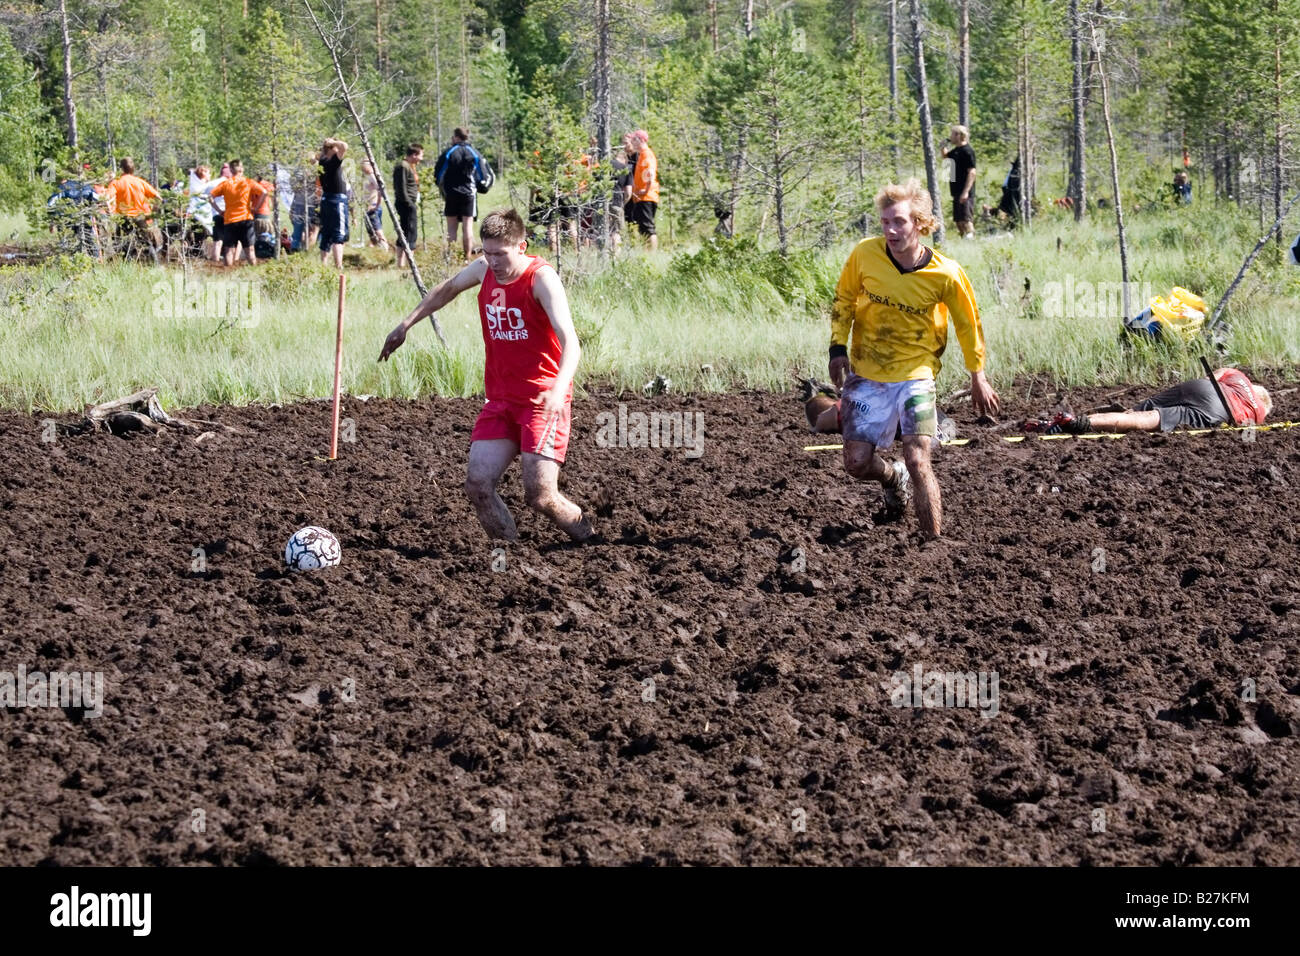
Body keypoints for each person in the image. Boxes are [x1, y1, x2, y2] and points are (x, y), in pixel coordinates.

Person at [378, 208, 596, 544]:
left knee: (540, 496)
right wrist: (406, 324)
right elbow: (447, 289)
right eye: (487, 252)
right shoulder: (484, 270)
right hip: (501, 400)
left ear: (521, 247)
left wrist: (558, 389)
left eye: (501, 254)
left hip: (541, 400)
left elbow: (571, 343)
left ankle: (587, 537)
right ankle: (507, 555)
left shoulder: (541, 279)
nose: (493, 261)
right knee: (478, 485)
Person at [829, 179, 999, 540]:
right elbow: (844, 300)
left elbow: (969, 325)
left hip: (917, 373)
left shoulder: (946, 273)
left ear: (920, 223)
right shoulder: (865, 254)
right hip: (868, 372)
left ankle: (933, 543)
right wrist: (837, 348)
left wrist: (977, 376)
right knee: (856, 463)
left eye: (900, 222)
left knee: (919, 457)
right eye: (885, 222)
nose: (891, 230)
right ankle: (893, 479)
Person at [1026, 369, 1271, 434]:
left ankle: (1057, 423)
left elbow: (1211, 376)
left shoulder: (1239, 377)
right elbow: (1241, 426)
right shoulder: (1259, 412)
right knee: (1148, 421)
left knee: (1143, 408)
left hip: (1202, 387)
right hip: (1216, 409)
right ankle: (1076, 423)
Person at [435, 129, 489, 259]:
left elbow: (438, 173)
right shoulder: (474, 152)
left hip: (451, 193)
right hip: (468, 194)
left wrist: (441, 187)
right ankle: (467, 257)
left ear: (456, 137)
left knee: (451, 228)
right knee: (468, 227)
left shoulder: (449, 152)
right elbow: (483, 174)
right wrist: (480, 186)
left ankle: (450, 256)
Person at [205, 159, 267, 267]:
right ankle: (254, 272)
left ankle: (227, 274)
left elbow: (210, 197)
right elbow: (264, 192)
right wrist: (256, 208)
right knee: (250, 250)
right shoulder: (248, 182)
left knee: (229, 250)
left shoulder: (226, 183)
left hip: (230, 220)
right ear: (241, 170)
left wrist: (219, 211)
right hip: (245, 219)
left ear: (231, 170)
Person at [107, 157, 162, 263]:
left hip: (124, 218)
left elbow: (106, 197)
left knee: (122, 244)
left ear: (121, 168)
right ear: (133, 168)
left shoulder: (116, 182)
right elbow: (158, 197)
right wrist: (154, 212)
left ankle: (126, 268)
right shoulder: (140, 182)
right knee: (147, 243)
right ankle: (155, 266)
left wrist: (109, 209)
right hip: (140, 217)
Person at [317, 138, 349, 269]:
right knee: (338, 235)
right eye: (334, 148)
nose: (337, 150)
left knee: (326, 234)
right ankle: (339, 266)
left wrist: (329, 144)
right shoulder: (332, 161)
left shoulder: (322, 161)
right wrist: (334, 142)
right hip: (337, 201)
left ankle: (323, 266)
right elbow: (344, 146)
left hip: (326, 199)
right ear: (330, 149)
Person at [941, 125, 977, 238]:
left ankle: (971, 240)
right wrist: (943, 146)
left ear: (959, 135)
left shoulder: (968, 151)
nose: (950, 136)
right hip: (956, 191)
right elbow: (946, 157)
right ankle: (963, 241)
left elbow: (972, 172)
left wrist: (966, 192)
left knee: (966, 219)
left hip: (965, 191)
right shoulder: (956, 151)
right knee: (958, 221)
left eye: (952, 134)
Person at [628, 129, 659, 251]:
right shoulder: (642, 154)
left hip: (646, 197)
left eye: (634, 140)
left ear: (641, 140)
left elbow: (650, 173)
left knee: (648, 228)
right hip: (641, 197)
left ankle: (652, 255)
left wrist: (645, 190)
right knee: (642, 228)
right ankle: (647, 252)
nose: (633, 143)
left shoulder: (647, 154)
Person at [393, 143, 423, 269]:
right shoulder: (403, 166)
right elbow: (401, 187)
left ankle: (403, 263)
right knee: (409, 232)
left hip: (409, 203)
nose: (421, 158)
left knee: (407, 231)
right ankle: (406, 263)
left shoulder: (410, 166)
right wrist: (408, 203)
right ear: (414, 154)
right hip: (406, 204)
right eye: (421, 155)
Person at [359, 160, 390, 252]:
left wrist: (376, 205)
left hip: (373, 207)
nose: (362, 166)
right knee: (371, 231)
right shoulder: (365, 176)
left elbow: (380, 190)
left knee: (377, 230)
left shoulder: (372, 176)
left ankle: (385, 249)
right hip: (367, 207)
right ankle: (377, 250)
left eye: (364, 164)